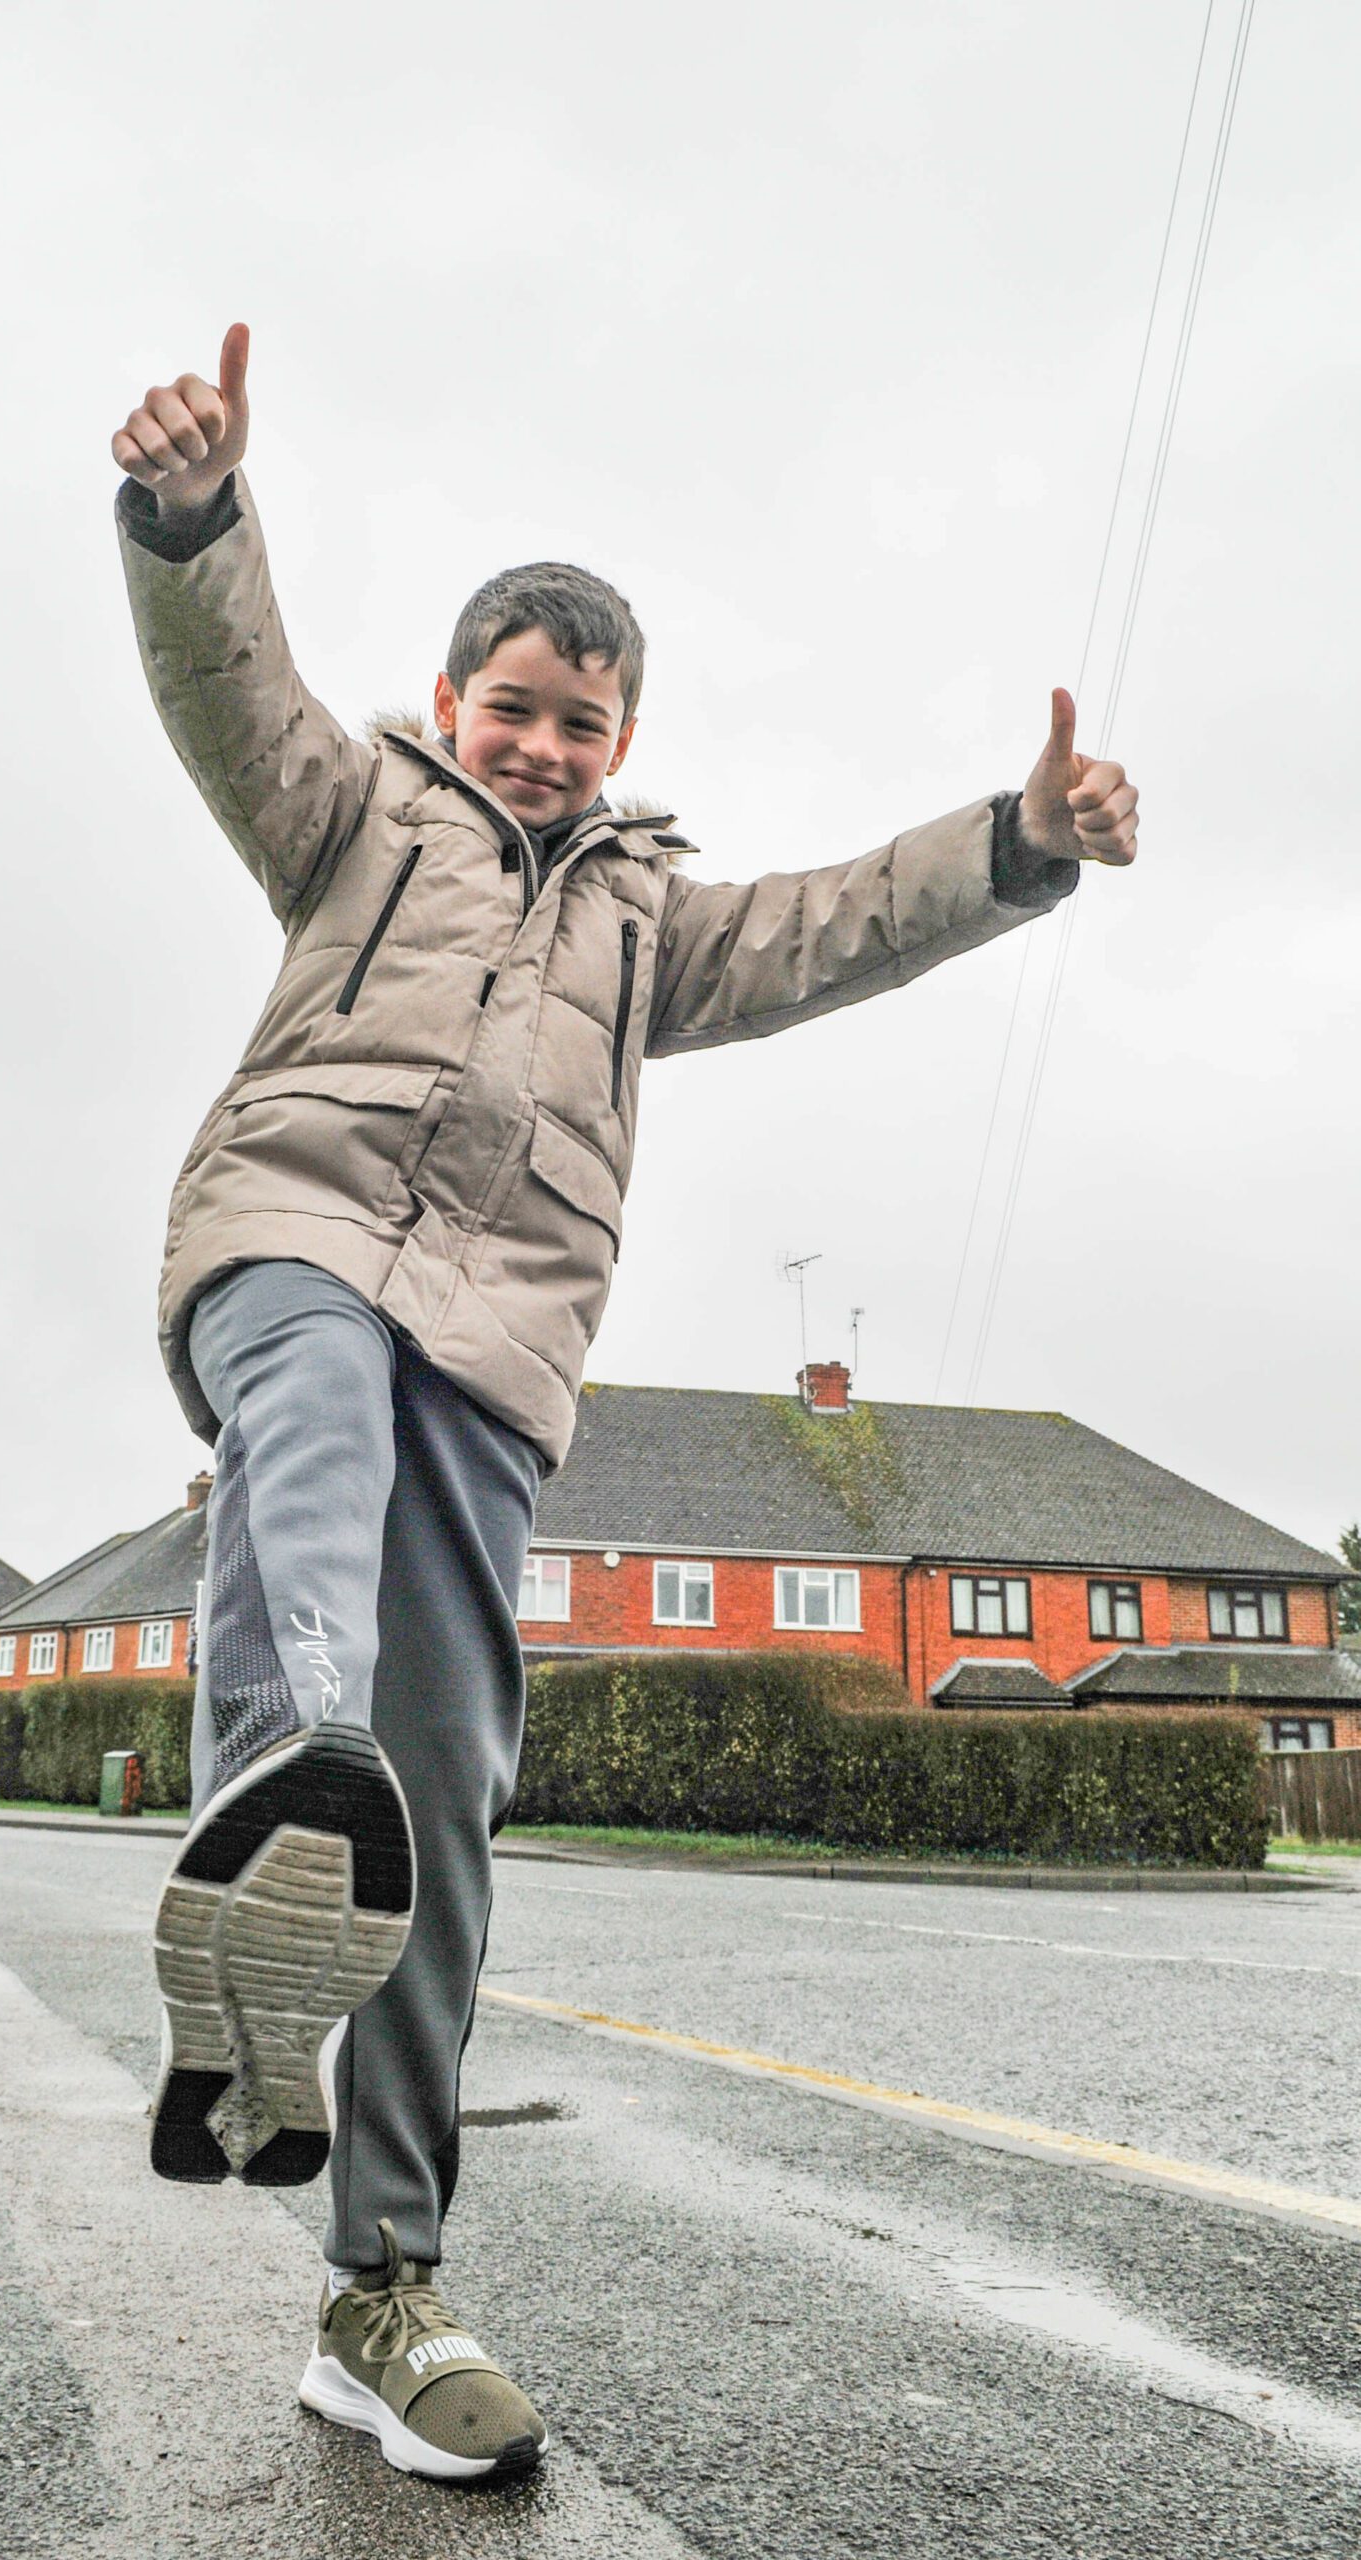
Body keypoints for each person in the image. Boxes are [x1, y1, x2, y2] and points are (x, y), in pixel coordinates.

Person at [110, 322, 1139, 2483]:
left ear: (625, 734)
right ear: (451, 698)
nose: (542, 745)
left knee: (455, 1777)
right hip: (289, 1244)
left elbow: (840, 921)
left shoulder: (653, 925)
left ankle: (378, 2273)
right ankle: (282, 1786)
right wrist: (198, 518)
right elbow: (234, 696)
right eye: (511, 707)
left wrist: (1013, 840)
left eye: (578, 721)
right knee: (303, 1449)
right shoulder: (354, 817)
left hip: (492, 1340)